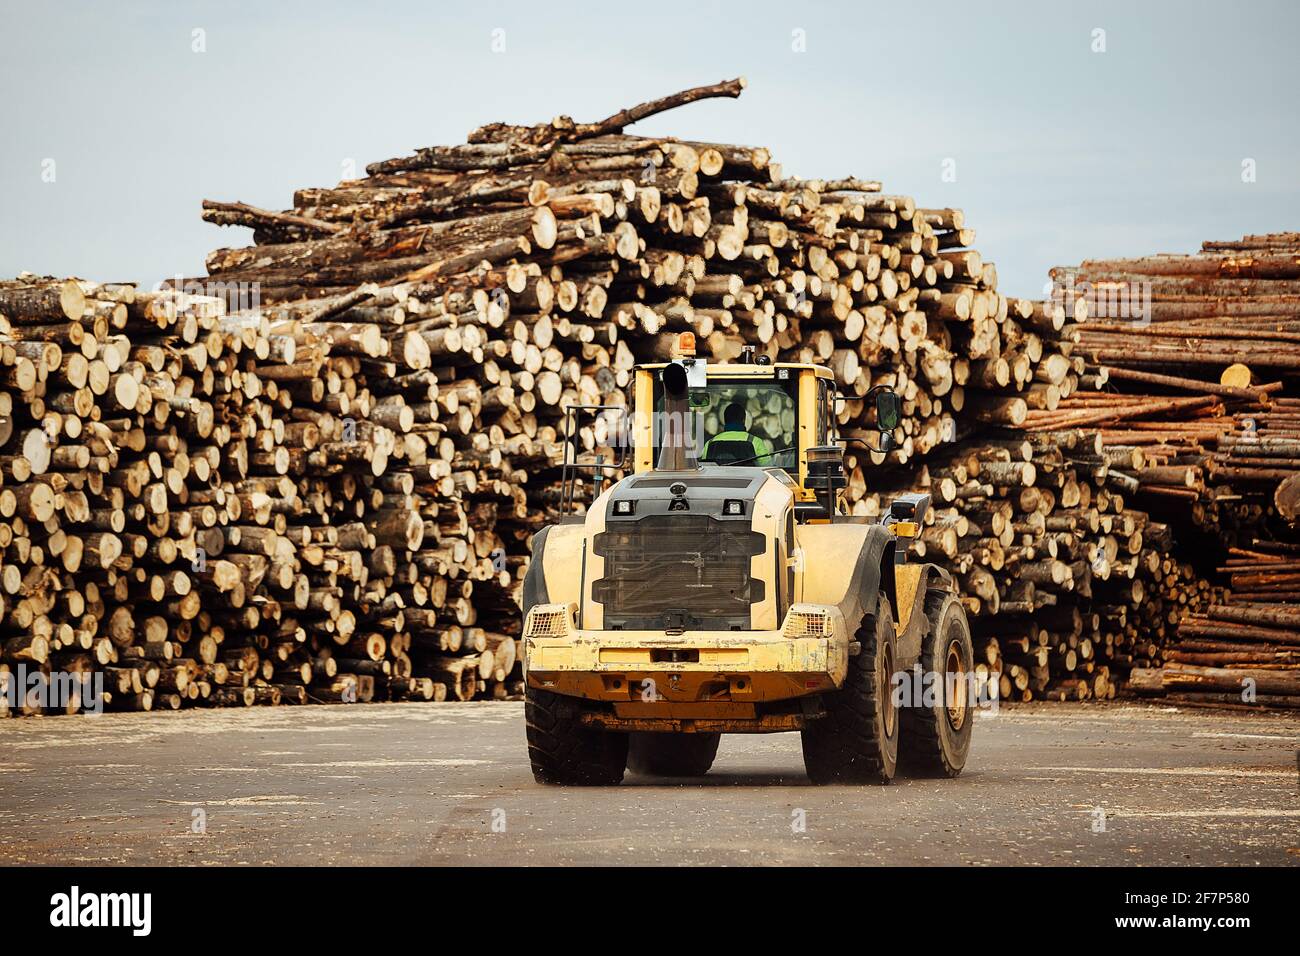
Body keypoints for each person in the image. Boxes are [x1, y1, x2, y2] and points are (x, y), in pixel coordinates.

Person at [702, 403, 772, 463]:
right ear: (744, 420)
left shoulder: (710, 443)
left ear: (724, 420)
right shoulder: (755, 442)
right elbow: (767, 468)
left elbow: (704, 468)